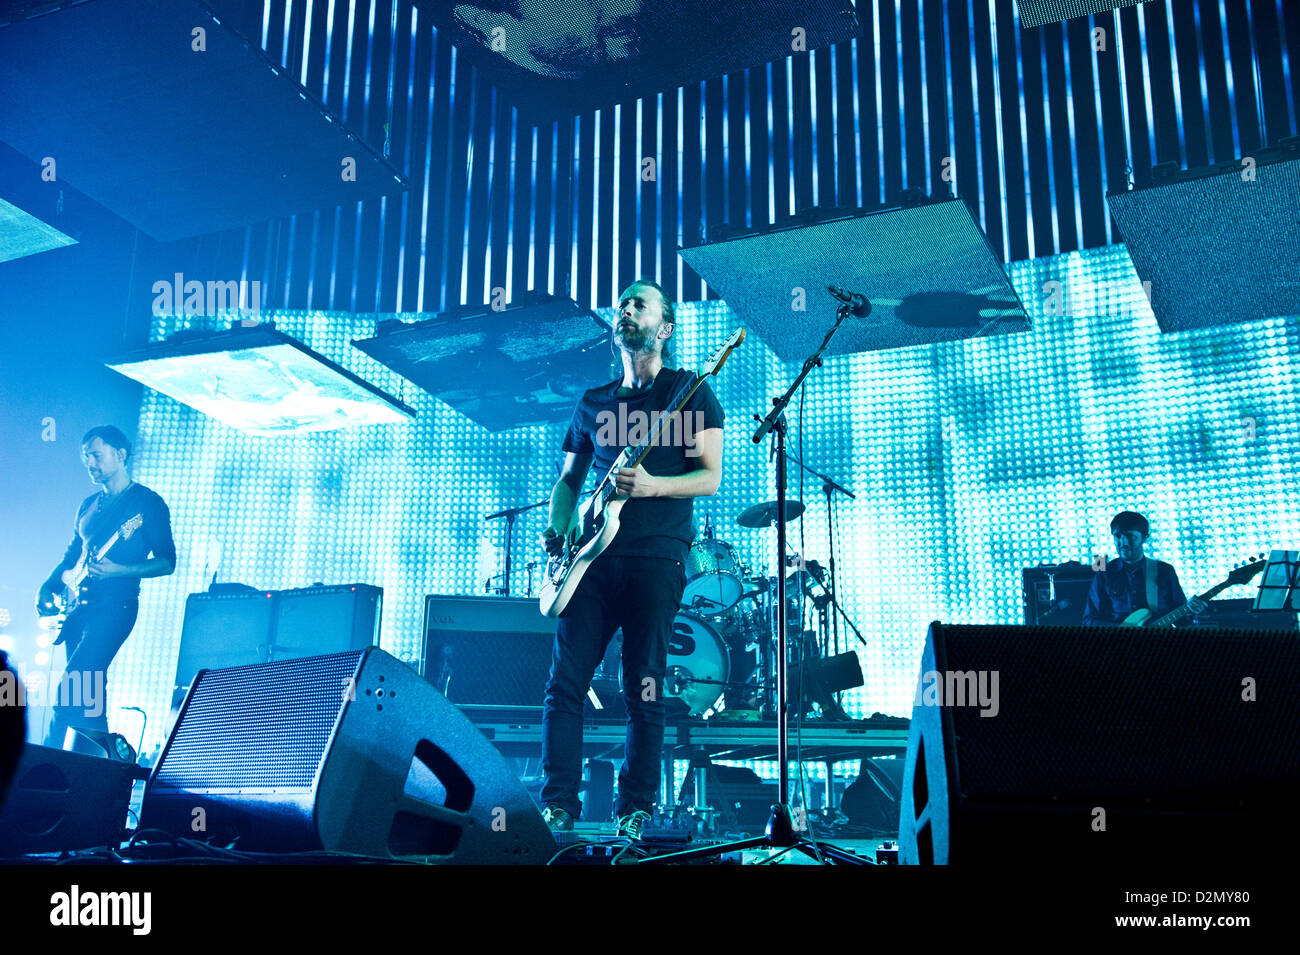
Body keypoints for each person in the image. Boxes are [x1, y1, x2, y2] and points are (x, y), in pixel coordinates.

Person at [538, 279, 724, 839]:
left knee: (643, 685)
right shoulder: (592, 402)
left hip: (655, 558)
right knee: (565, 683)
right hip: (589, 562)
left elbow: (710, 477)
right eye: (623, 302)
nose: (626, 308)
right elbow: (569, 482)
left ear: (664, 328)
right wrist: (558, 528)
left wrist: (649, 486)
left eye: (640, 303)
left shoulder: (690, 392)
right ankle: (558, 807)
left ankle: (634, 811)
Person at [36, 426, 175, 749]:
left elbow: (167, 562)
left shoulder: (147, 504)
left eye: (96, 455)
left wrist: (119, 570)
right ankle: (101, 771)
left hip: (116, 607)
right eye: (86, 458)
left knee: (74, 684)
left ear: (120, 455)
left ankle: (43, 758)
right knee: (89, 696)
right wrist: (49, 585)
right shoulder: (87, 504)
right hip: (79, 609)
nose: (90, 464)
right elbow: (74, 554)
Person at [1082, 511, 1206, 626]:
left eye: (1130, 536)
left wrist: (1190, 611)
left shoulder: (1164, 570)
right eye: (1118, 536)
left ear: (1145, 537)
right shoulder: (1105, 573)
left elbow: (1181, 621)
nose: (1123, 543)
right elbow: (1089, 620)